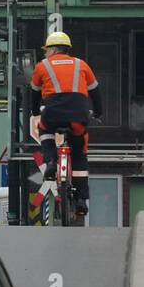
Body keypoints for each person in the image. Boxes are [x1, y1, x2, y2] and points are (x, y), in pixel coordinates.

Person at [28, 31, 102, 223]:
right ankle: (81, 200)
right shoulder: (81, 64)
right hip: (78, 117)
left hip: (52, 115)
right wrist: (99, 113)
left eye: (46, 50)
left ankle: (51, 162)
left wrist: (35, 112)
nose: (45, 54)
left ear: (52, 49)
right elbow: (96, 92)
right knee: (79, 154)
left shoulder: (42, 66)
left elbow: (34, 94)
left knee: (45, 130)